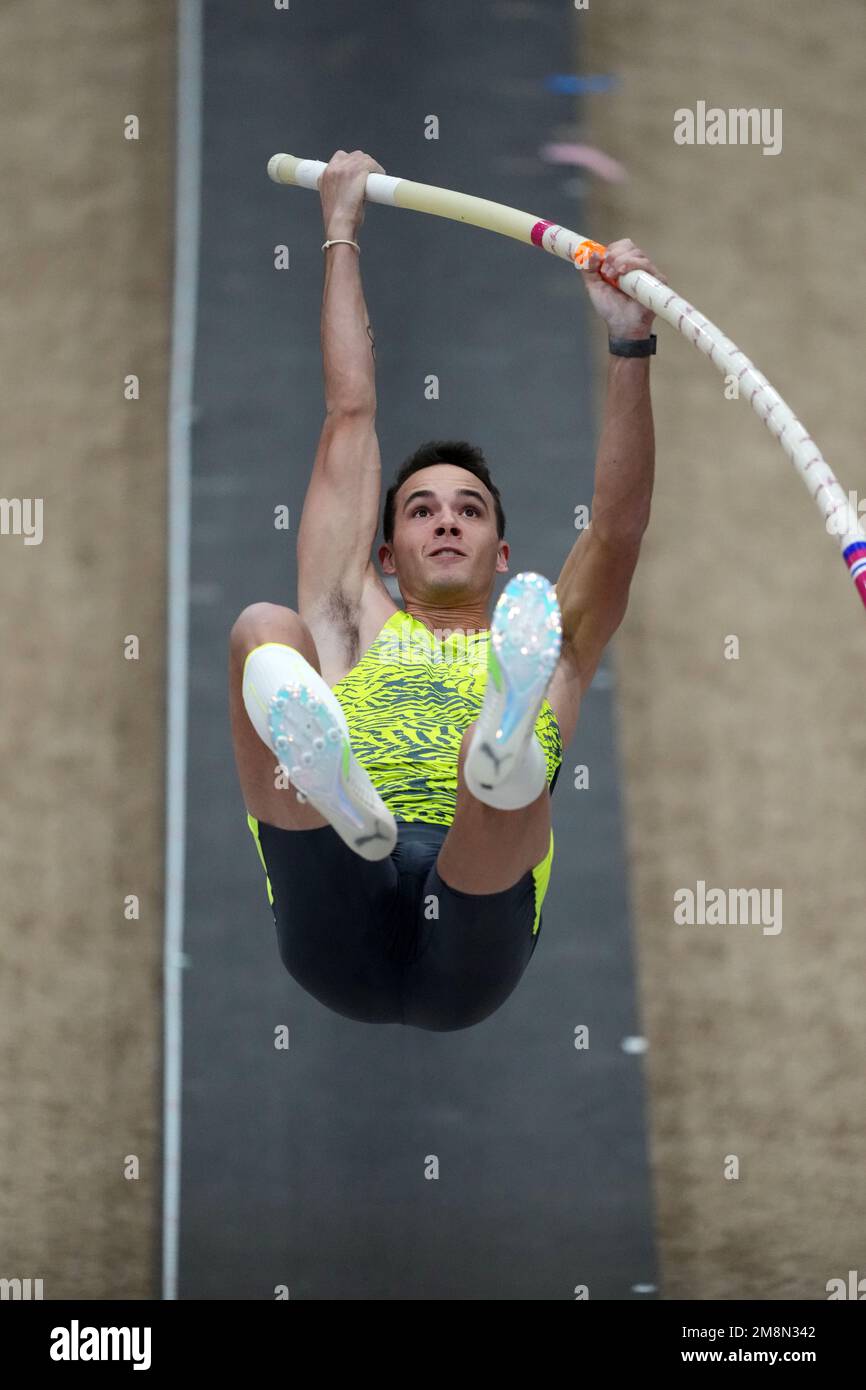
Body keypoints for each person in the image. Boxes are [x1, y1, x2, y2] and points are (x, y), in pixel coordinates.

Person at [229, 149, 665, 1031]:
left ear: (501, 553)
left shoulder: (554, 643)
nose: (446, 521)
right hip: (337, 901)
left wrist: (629, 342)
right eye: (421, 510)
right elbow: (349, 413)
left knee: (494, 759)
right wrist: (340, 230)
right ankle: (346, 794)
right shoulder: (349, 617)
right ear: (386, 554)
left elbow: (616, 530)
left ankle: (498, 749)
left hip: (474, 926)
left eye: (469, 511)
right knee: (262, 627)